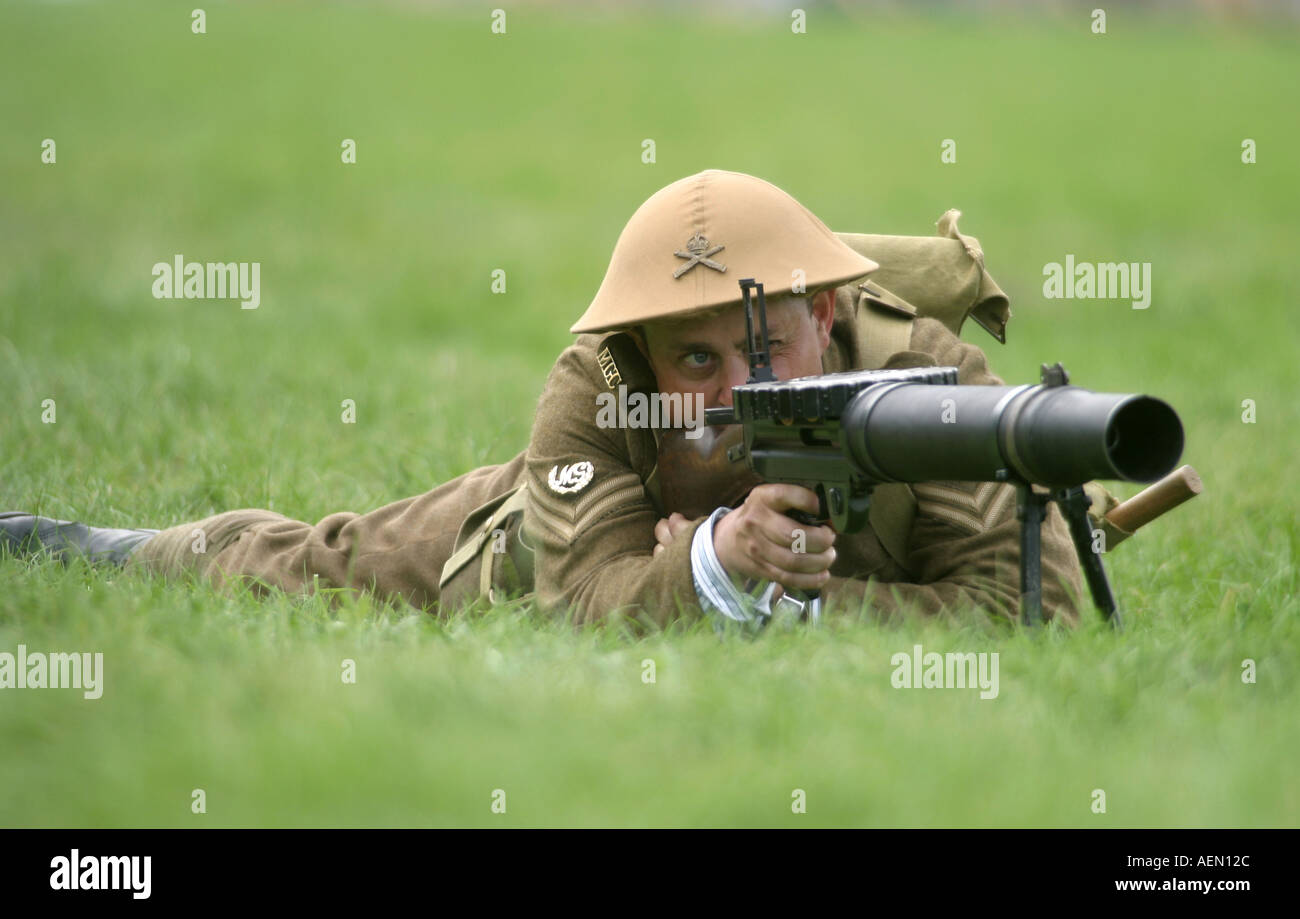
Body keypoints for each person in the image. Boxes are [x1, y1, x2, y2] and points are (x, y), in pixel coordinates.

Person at [1, 169, 1084, 631]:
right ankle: (109, 545)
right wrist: (709, 561)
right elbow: (582, 606)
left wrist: (790, 604)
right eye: (695, 362)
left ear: (832, 308)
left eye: (767, 345)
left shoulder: (925, 376)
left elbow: (1027, 617)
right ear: (639, 353)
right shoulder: (600, 383)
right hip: (544, 537)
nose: (739, 389)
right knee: (327, 565)